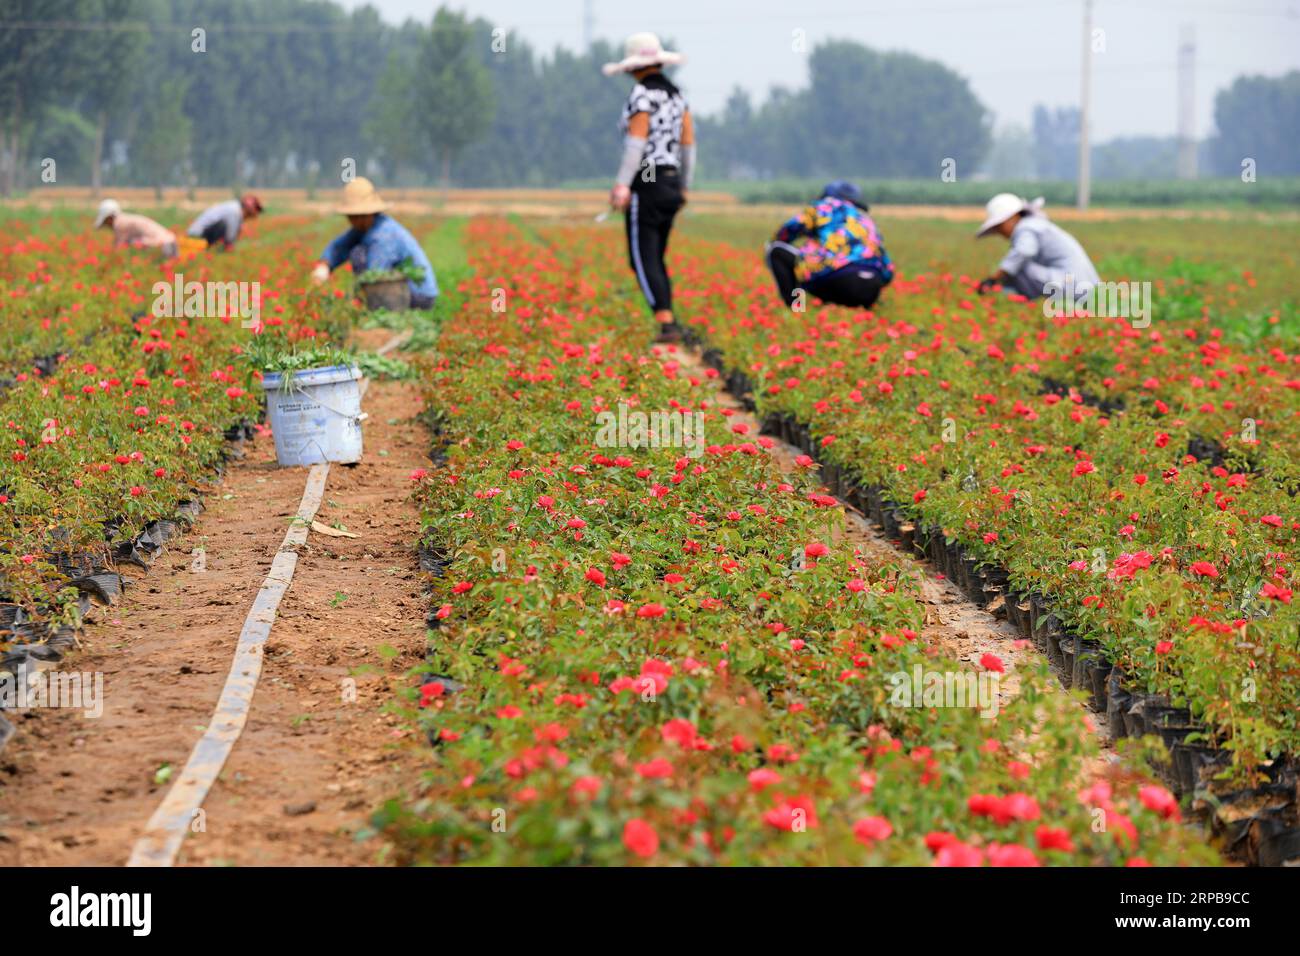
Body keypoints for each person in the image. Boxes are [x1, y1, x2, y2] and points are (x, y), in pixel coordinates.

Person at [603, 32, 695, 342]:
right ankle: (667, 318)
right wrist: (684, 186)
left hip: (649, 177)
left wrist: (622, 186)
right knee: (655, 254)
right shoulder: (677, 97)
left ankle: (666, 322)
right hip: (670, 178)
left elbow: (636, 143)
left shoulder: (642, 95)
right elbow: (688, 145)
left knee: (643, 256)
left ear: (633, 66)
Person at [309, 177, 438, 309]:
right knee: (356, 250)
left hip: (419, 295)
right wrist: (324, 266)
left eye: (357, 216)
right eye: (351, 216)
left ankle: (372, 308)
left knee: (358, 254)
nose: (353, 221)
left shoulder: (383, 235)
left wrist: (352, 302)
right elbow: (340, 245)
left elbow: (374, 274)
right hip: (402, 290)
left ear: (368, 214)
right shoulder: (366, 226)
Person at [765, 181, 893, 311]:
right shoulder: (864, 218)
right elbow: (887, 269)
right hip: (872, 287)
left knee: (776, 250)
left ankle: (797, 307)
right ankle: (861, 308)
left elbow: (787, 231)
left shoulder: (823, 207)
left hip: (837, 281)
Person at [975, 193, 1099, 303]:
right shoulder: (1034, 225)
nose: (1000, 233)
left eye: (1000, 227)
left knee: (1018, 267)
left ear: (1012, 217)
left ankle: (1024, 303)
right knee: (1013, 269)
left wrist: (994, 279)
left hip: (1076, 288)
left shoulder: (1026, 228)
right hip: (1083, 286)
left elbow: (1024, 252)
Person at [93, 199, 178, 258]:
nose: (107, 226)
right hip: (170, 241)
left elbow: (118, 248)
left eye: (105, 222)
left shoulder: (120, 223)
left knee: (133, 244)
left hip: (162, 244)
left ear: (109, 218)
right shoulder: (125, 219)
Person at [186, 194, 263, 250]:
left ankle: (215, 249)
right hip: (198, 236)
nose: (256, 214)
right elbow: (230, 238)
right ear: (249, 208)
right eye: (256, 209)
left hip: (199, 233)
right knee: (223, 226)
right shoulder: (235, 212)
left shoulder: (235, 208)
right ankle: (214, 250)